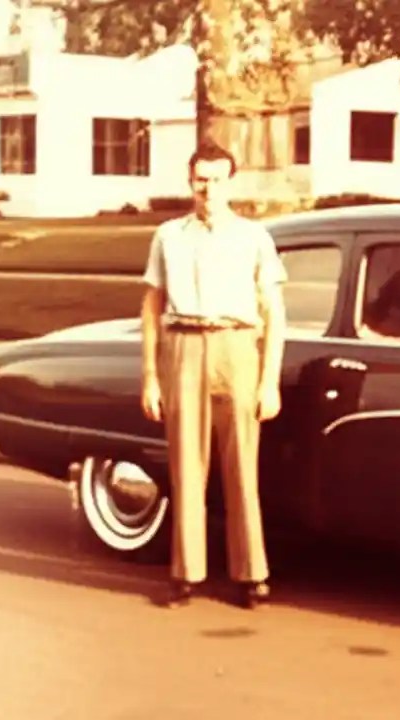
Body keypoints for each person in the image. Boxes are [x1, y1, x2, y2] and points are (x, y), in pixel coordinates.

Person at [139, 140, 287, 610]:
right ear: (190, 181)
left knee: (242, 464)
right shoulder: (168, 236)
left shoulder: (253, 237)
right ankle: (186, 574)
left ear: (231, 182)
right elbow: (150, 306)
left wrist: (269, 381)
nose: (208, 188)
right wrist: (150, 376)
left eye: (218, 179)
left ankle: (250, 574)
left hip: (236, 346)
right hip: (183, 345)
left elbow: (275, 311)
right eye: (201, 178)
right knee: (187, 464)